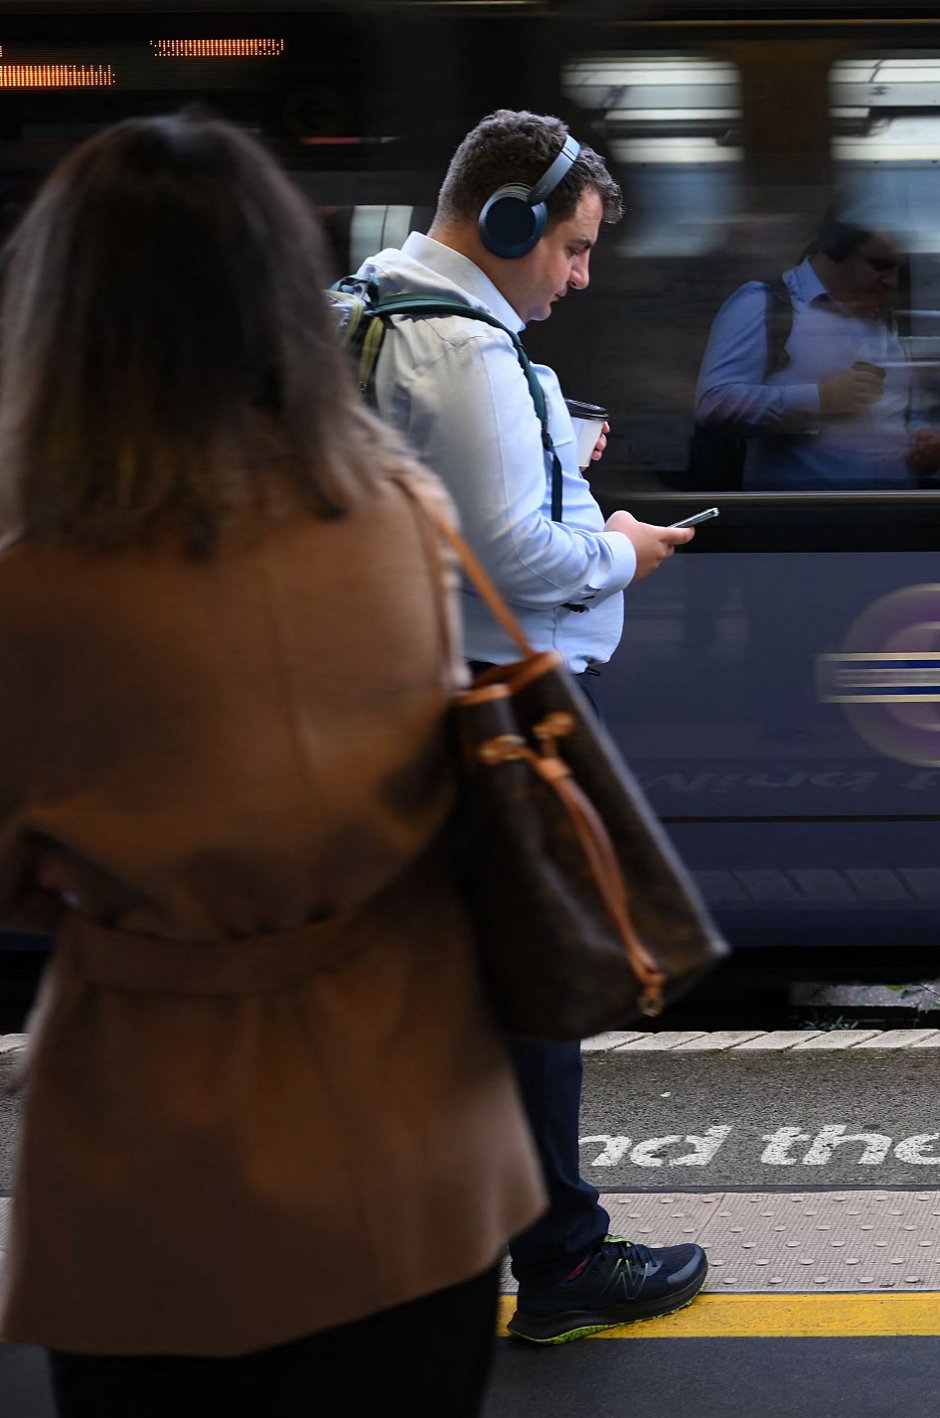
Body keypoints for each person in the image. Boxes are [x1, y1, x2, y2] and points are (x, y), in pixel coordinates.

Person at [0, 113, 543, 1411]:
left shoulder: (38, 582)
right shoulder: (397, 512)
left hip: (161, 1155)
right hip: (420, 1137)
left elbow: (17, 875)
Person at [349, 108, 709, 1345]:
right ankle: (560, 1262)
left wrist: (553, 454)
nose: (581, 275)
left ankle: (429, 1242)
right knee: (538, 988)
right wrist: (621, 548)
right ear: (508, 224)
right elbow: (508, 555)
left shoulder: (370, 306)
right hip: (498, 701)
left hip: (409, 690)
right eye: (573, 245)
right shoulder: (462, 353)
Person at [692, 214, 940, 487]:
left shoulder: (882, 320)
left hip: (892, 506)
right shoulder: (765, 303)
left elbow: (899, 412)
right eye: (880, 265)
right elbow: (714, 404)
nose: (891, 282)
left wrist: (920, 440)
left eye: (897, 270)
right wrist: (818, 399)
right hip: (806, 507)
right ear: (834, 252)